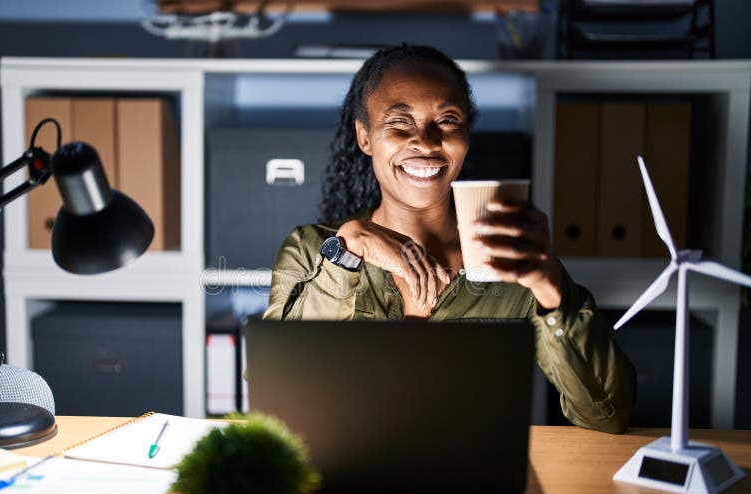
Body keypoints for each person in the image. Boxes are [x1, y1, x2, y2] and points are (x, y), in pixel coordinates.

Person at [264, 44, 635, 434]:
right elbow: (276, 394)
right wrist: (348, 251)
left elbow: (608, 415)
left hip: (476, 482)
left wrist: (550, 291)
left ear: (467, 136)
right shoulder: (313, 250)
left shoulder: (512, 256)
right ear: (365, 136)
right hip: (341, 478)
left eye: (447, 121)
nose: (425, 142)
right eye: (400, 123)